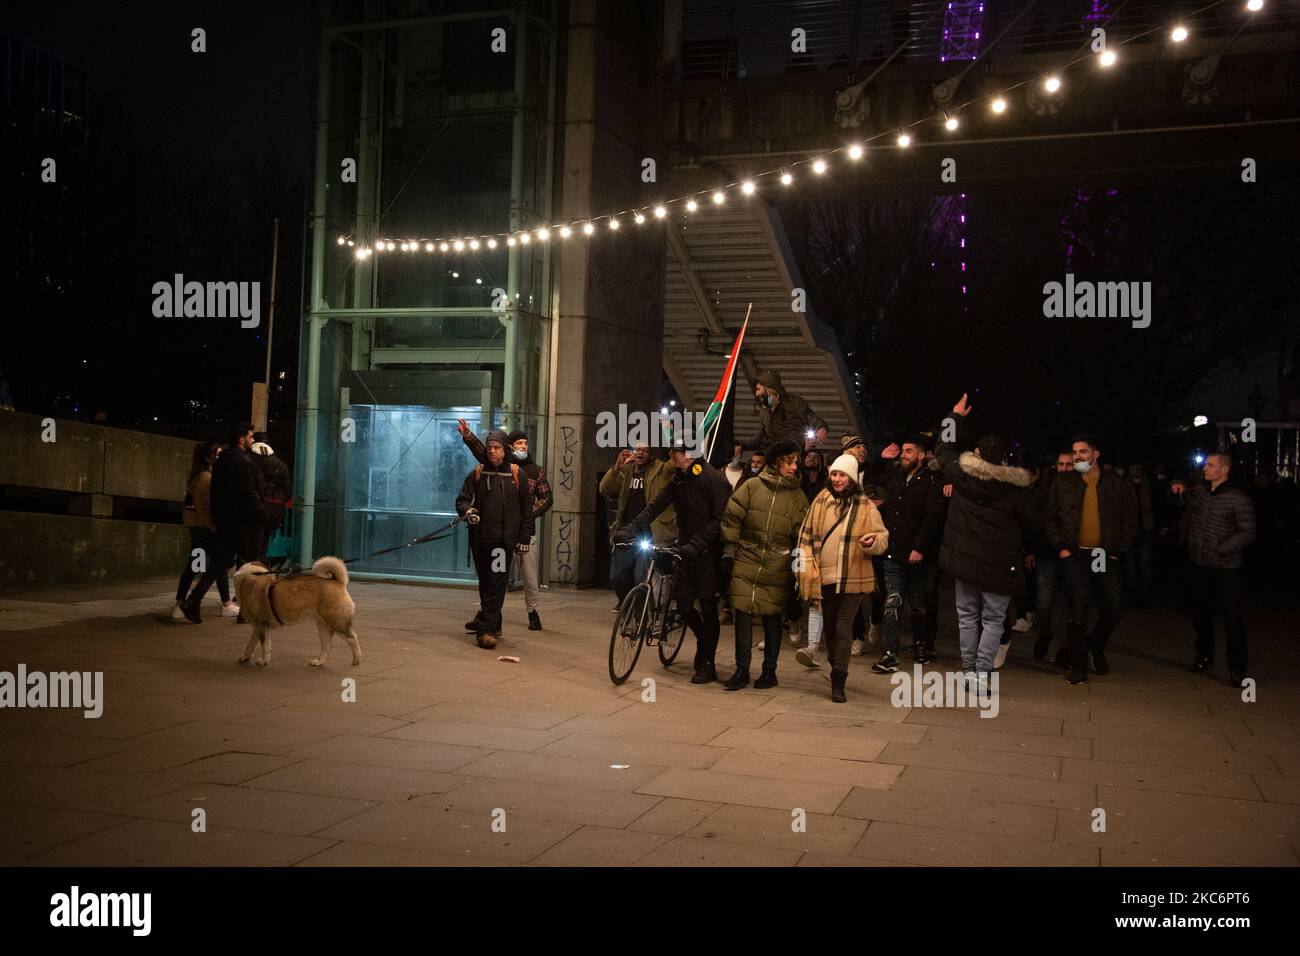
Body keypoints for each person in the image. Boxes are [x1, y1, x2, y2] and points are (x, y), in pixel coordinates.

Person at [934, 394, 1037, 692]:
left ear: (977, 453)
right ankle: (981, 675)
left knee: (967, 618)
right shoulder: (1016, 490)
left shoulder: (961, 474)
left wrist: (954, 416)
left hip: (965, 563)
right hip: (1000, 567)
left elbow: (943, 447)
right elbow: (1033, 525)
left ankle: (969, 672)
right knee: (993, 620)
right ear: (1004, 458)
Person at [614, 439, 731, 684]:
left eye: (674, 451)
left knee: (708, 607)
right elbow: (654, 507)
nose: (670, 454)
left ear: (688, 454)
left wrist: (697, 545)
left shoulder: (715, 480)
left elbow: (717, 521)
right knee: (684, 605)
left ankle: (707, 662)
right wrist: (631, 528)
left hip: (707, 554)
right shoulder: (678, 479)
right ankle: (703, 640)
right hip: (684, 550)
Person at [794, 453, 890, 702]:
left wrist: (872, 541)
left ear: (852, 479)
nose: (837, 479)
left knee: (843, 626)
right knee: (830, 629)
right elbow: (805, 535)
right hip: (824, 576)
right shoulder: (820, 501)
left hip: (853, 576)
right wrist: (804, 567)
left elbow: (882, 538)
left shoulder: (865, 505)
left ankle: (839, 678)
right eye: (834, 474)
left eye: (842, 475)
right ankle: (835, 662)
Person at [1045, 433, 1138, 684]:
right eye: (1075, 452)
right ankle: (1078, 666)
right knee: (1077, 609)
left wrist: (1119, 550)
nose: (1077, 457)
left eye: (1082, 452)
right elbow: (1050, 517)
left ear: (1095, 454)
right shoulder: (1063, 482)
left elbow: (1130, 518)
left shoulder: (1116, 483)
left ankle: (1094, 645)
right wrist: (1061, 547)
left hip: (1103, 554)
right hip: (1075, 554)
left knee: (1113, 606)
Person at [719, 440, 808, 690]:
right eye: (789, 462)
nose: (794, 467)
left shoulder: (798, 497)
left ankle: (770, 671)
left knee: (771, 617)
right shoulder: (752, 486)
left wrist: (797, 567)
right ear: (776, 461)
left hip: (778, 565)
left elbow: (802, 536)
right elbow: (731, 518)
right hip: (747, 558)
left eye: (796, 462)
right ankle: (742, 670)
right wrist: (730, 552)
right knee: (742, 614)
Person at [457, 421, 553, 631]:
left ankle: (527, 614)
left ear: (505, 450)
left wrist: (524, 526)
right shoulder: (485, 470)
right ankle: (491, 620)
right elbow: (484, 450)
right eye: (518, 443)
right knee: (489, 581)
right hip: (486, 538)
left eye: (525, 443)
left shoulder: (527, 472)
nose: (522, 446)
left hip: (516, 535)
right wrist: (468, 436)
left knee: (521, 579)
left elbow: (540, 501)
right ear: (511, 447)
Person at [1172, 454, 1256, 687]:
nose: (1205, 468)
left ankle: (1237, 668)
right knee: (1201, 615)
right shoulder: (1200, 493)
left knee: (1233, 618)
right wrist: (1176, 485)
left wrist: (1222, 549)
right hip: (1200, 565)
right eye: (1205, 464)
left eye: (1210, 465)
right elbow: (1179, 498)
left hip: (1228, 567)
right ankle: (1204, 656)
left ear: (1225, 469)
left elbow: (1248, 532)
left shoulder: (1238, 498)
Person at [869, 434, 945, 673]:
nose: (903, 455)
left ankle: (922, 645)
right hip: (894, 551)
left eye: (909, 451)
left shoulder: (932, 480)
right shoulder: (895, 474)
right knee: (893, 601)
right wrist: (880, 458)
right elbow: (869, 476)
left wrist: (919, 548)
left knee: (918, 604)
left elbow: (933, 518)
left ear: (921, 455)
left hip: (920, 555)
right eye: (902, 451)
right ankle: (890, 653)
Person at [181, 423, 266, 623]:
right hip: (242, 521)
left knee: (221, 562)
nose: (253, 440)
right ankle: (246, 610)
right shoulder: (243, 461)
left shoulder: (222, 461)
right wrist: (262, 513)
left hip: (225, 520)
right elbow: (248, 492)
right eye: (250, 436)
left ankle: (194, 600)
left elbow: (218, 493)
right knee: (250, 563)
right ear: (241, 439)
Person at [601, 443, 677, 603]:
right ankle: (626, 604)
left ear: (651, 454)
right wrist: (617, 466)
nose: (641, 453)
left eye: (645, 451)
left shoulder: (660, 470)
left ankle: (638, 610)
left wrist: (675, 444)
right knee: (616, 576)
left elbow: (674, 465)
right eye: (638, 450)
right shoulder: (625, 470)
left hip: (648, 533)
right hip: (626, 531)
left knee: (641, 576)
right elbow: (604, 488)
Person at [173, 442, 238, 620]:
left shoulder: (200, 477)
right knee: (205, 565)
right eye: (218, 455)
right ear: (209, 458)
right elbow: (204, 509)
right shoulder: (207, 479)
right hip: (204, 531)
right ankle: (182, 603)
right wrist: (216, 528)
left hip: (201, 530)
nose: (221, 458)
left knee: (211, 565)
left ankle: (222, 603)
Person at [1029, 450, 1076, 664]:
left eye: (1069, 464)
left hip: (1071, 555)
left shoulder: (1080, 488)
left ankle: (1064, 647)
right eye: (1061, 464)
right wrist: (1031, 549)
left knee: (1067, 604)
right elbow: (1034, 521)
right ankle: (1045, 632)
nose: (1064, 468)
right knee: (1043, 603)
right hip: (1047, 553)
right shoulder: (1045, 489)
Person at [748, 369, 829, 451]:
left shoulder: (794, 403)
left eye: (758, 389)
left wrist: (821, 427)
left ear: (769, 387)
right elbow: (762, 434)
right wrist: (744, 446)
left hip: (797, 453)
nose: (756, 394)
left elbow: (811, 417)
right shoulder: (764, 411)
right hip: (777, 455)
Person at [250, 441, 293, 569]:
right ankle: (261, 568)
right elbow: (288, 492)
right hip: (275, 511)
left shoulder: (251, 463)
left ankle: (250, 570)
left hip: (256, 509)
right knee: (264, 543)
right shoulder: (281, 465)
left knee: (251, 547)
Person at [1125, 463, 1155, 605]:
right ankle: (1132, 595)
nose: (1136, 470)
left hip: (1144, 528)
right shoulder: (1124, 485)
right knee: (1130, 564)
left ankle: (1145, 595)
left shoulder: (1147, 485)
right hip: (1130, 528)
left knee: (1145, 562)